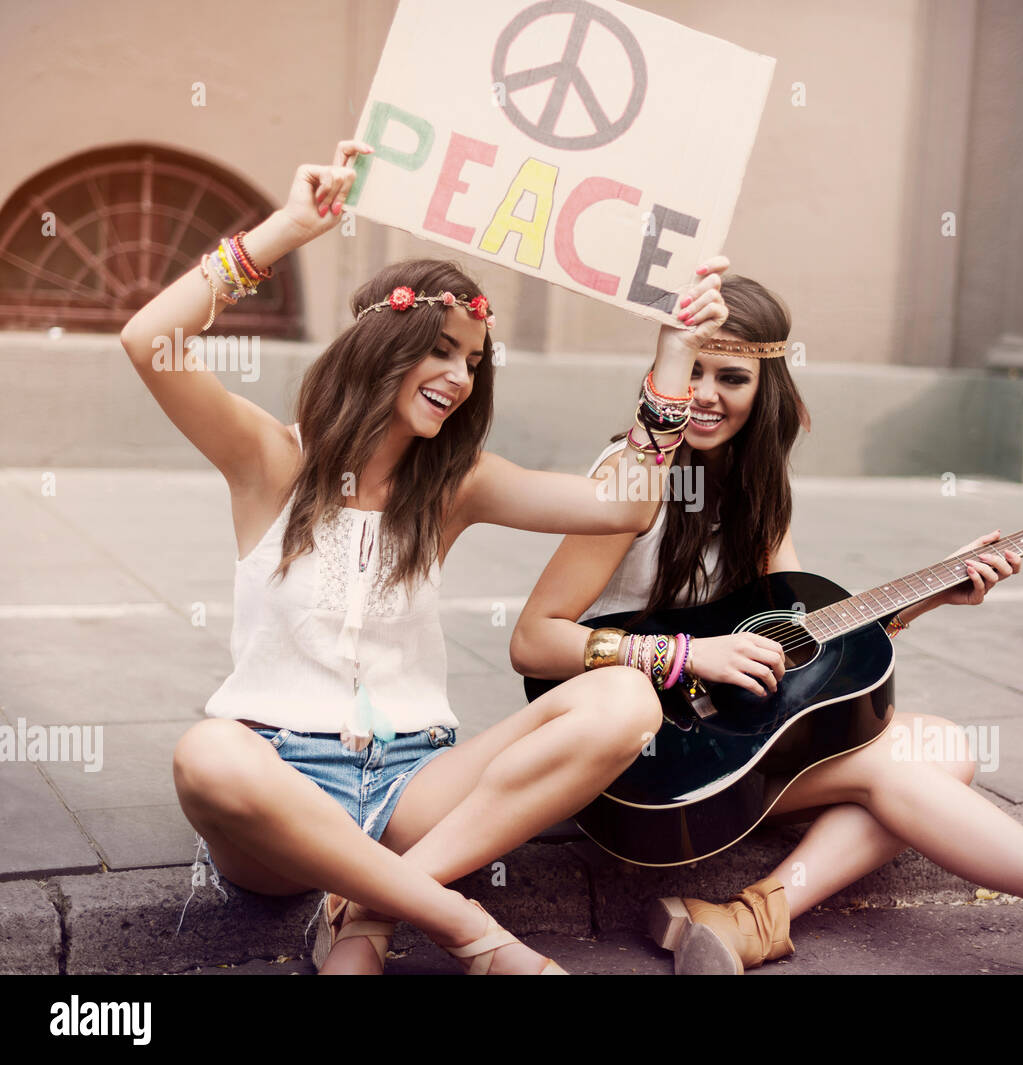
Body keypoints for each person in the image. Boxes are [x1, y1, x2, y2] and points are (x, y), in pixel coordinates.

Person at [510, 273, 1023, 976]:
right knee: (898, 768)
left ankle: (749, 919)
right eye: (696, 370)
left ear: (768, 386)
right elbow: (534, 637)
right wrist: (696, 653)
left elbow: (802, 637)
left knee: (944, 746)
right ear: (668, 372)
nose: (709, 393)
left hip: (715, 746)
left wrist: (932, 593)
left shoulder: (758, 492)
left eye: (734, 375)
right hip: (630, 760)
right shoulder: (630, 476)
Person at [120, 139, 729, 974]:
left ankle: (369, 903)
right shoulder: (270, 462)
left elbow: (622, 503)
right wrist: (288, 228)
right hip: (280, 786)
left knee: (625, 700)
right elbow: (149, 337)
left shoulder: (456, 484)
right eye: (441, 348)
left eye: (474, 360)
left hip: (415, 785)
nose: (461, 375)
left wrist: (672, 352)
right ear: (382, 346)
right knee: (207, 753)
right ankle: (469, 930)